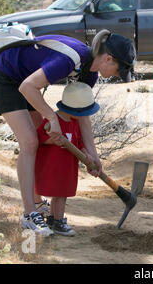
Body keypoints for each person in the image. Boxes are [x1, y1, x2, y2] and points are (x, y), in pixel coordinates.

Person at [0, 29, 136, 236]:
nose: (117, 76)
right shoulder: (70, 58)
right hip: (6, 78)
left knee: (40, 138)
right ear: (108, 58)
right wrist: (51, 117)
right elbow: (27, 87)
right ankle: (29, 214)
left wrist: (93, 154)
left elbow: (82, 114)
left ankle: (38, 205)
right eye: (119, 71)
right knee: (30, 142)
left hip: (26, 83)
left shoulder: (89, 74)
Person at [35, 82, 99, 236]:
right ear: (76, 110)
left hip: (67, 167)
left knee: (60, 194)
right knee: (60, 195)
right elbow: (39, 136)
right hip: (54, 166)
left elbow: (78, 142)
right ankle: (59, 221)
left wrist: (86, 153)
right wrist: (51, 140)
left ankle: (52, 219)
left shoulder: (74, 123)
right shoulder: (52, 121)